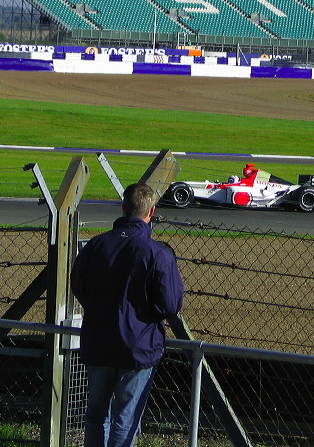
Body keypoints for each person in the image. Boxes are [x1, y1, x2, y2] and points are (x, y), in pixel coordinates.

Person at [70, 183, 184, 447]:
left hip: (99, 341)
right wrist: (143, 315)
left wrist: (100, 309)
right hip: (138, 346)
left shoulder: (95, 246)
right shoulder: (157, 254)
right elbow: (170, 304)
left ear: (123, 208)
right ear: (151, 211)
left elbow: (79, 286)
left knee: (96, 415)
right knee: (125, 419)